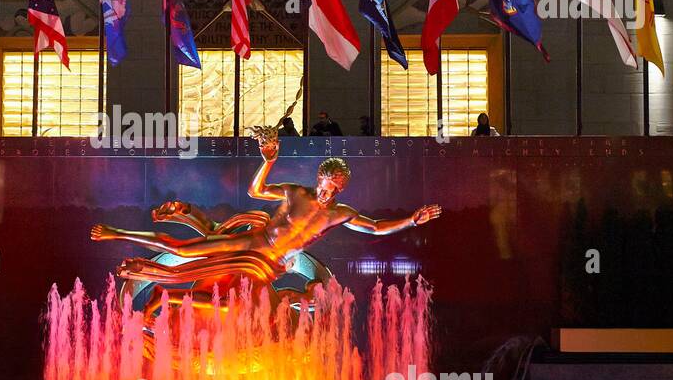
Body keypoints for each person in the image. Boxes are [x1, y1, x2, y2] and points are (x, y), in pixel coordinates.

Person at [92, 129, 441, 319]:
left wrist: (411, 220)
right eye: (322, 185)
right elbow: (255, 190)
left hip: (270, 267)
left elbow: (376, 226)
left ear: (339, 189)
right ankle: (117, 234)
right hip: (253, 244)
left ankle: (162, 294)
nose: (323, 192)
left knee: (233, 306)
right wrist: (268, 161)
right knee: (185, 249)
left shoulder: (341, 213)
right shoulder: (295, 192)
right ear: (317, 179)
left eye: (330, 189)